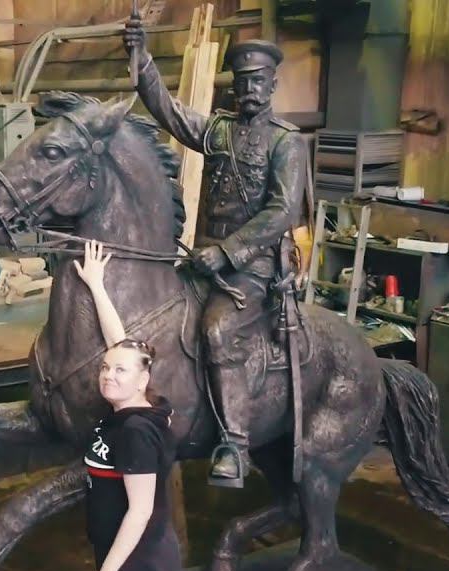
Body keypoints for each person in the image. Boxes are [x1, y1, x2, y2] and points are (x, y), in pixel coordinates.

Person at [124, 19, 308, 486]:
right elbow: (169, 113)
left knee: (218, 329)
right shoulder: (219, 130)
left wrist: (227, 253)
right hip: (203, 256)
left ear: (273, 84)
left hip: (253, 265)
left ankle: (235, 445)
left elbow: (283, 211)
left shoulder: (286, 142)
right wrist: (141, 58)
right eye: (242, 82)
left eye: (258, 81)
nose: (249, 90)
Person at [74, 241, 191, 571]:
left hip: (136, 562)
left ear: (141, 379)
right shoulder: (138, 403)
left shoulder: (136, 432)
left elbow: (139, 510)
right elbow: (120, 345)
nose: (108, 375)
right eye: (105, 368)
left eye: (118, 372)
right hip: (146, 554)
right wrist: (97, 286)